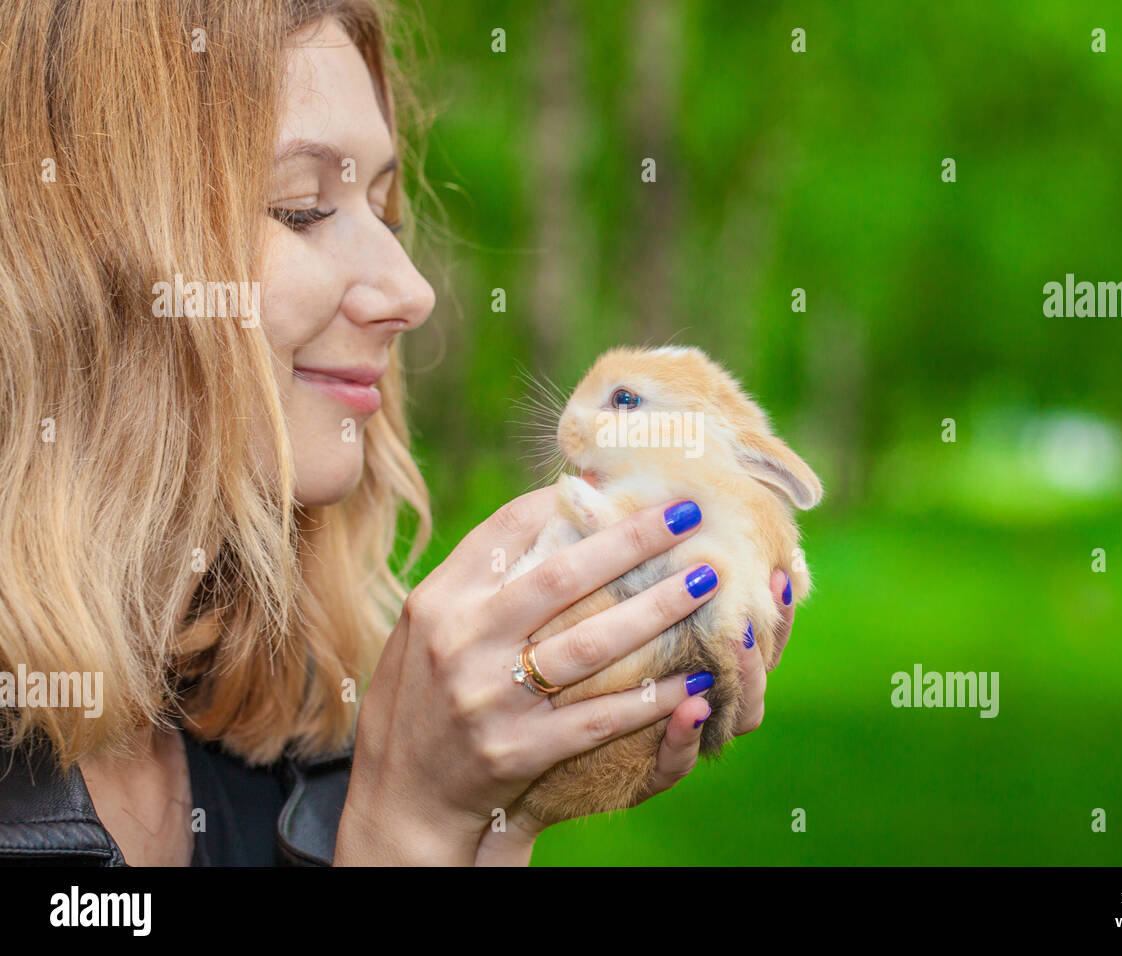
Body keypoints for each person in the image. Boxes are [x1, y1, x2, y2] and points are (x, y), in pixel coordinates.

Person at [0, 0, 796, 866]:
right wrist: (402, 830)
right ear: (73, 264)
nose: (412, 289)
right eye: (303, 209)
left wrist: (496, 819)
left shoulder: (286, 742)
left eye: (385, 211)